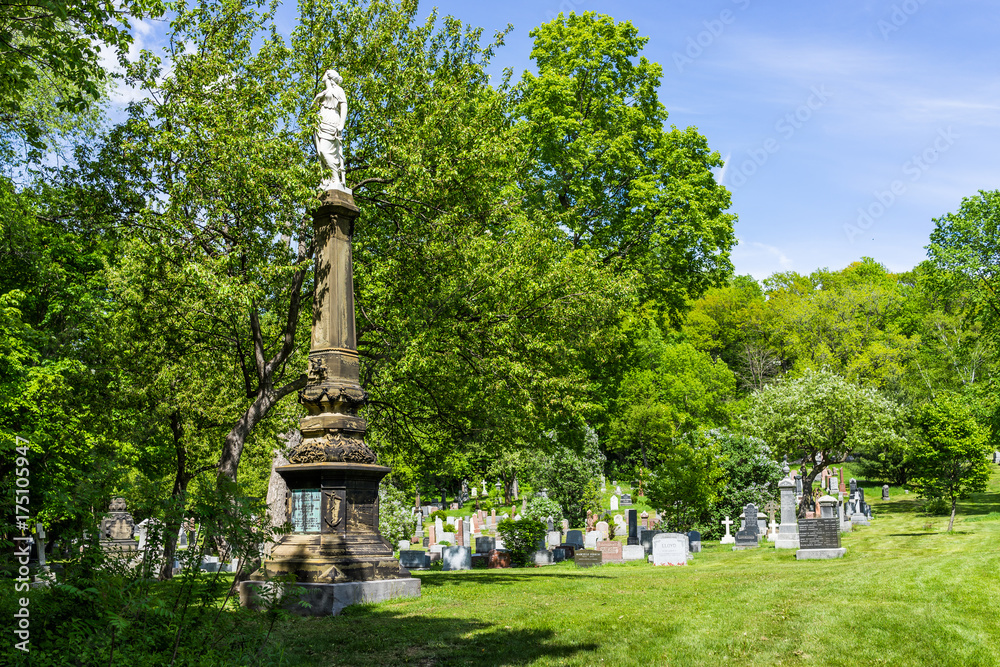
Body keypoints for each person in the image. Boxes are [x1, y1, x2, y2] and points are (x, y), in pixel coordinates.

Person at [313, 68, 348, 190]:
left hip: (332, 120)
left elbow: (344, 106)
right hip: (321, 122)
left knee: (324, 151)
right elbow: (313, 109)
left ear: (328, 77)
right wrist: (318, 97)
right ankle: (326, 180)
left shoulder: (338, 90)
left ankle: (335, 179)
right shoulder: (324, 92)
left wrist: (341, 124)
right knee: (320, 152)